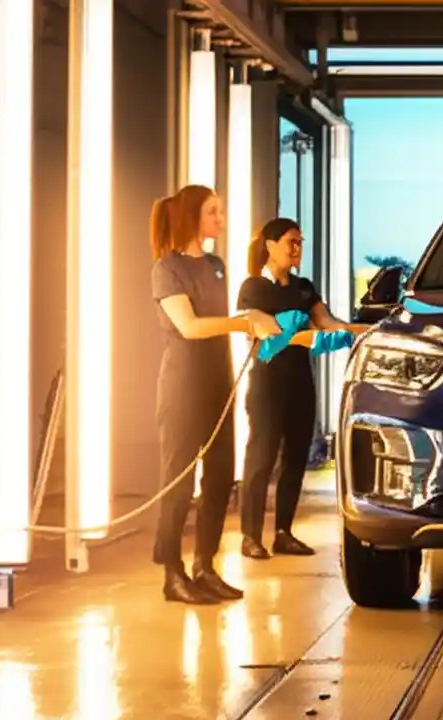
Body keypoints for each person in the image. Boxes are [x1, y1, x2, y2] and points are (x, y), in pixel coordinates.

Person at [150, 185, 282, 605]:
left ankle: (205, 566)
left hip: (219, 383)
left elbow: (218, 320)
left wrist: (248, 321)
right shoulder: (167, 269)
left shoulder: (217, 265)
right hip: (183, 387)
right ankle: (173, 573)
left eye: (221, 212)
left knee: (222, 475)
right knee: (179, 481)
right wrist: (244, 322)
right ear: (192, 217)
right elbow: (190, 327)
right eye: (213, 212)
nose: (221, 219)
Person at [238, 218, 369, 560]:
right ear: (270, 245)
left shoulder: (304, 287)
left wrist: (370, 330)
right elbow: (264, 329)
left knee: (296, 457)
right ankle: (250, 536)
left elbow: (329, 324)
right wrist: (301, 334)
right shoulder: (254, 287)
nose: (297, 249)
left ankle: (284, 532)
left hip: (300, 382)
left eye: (300, 242)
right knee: (261, 458)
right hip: (267, 384)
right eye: (291, 242)